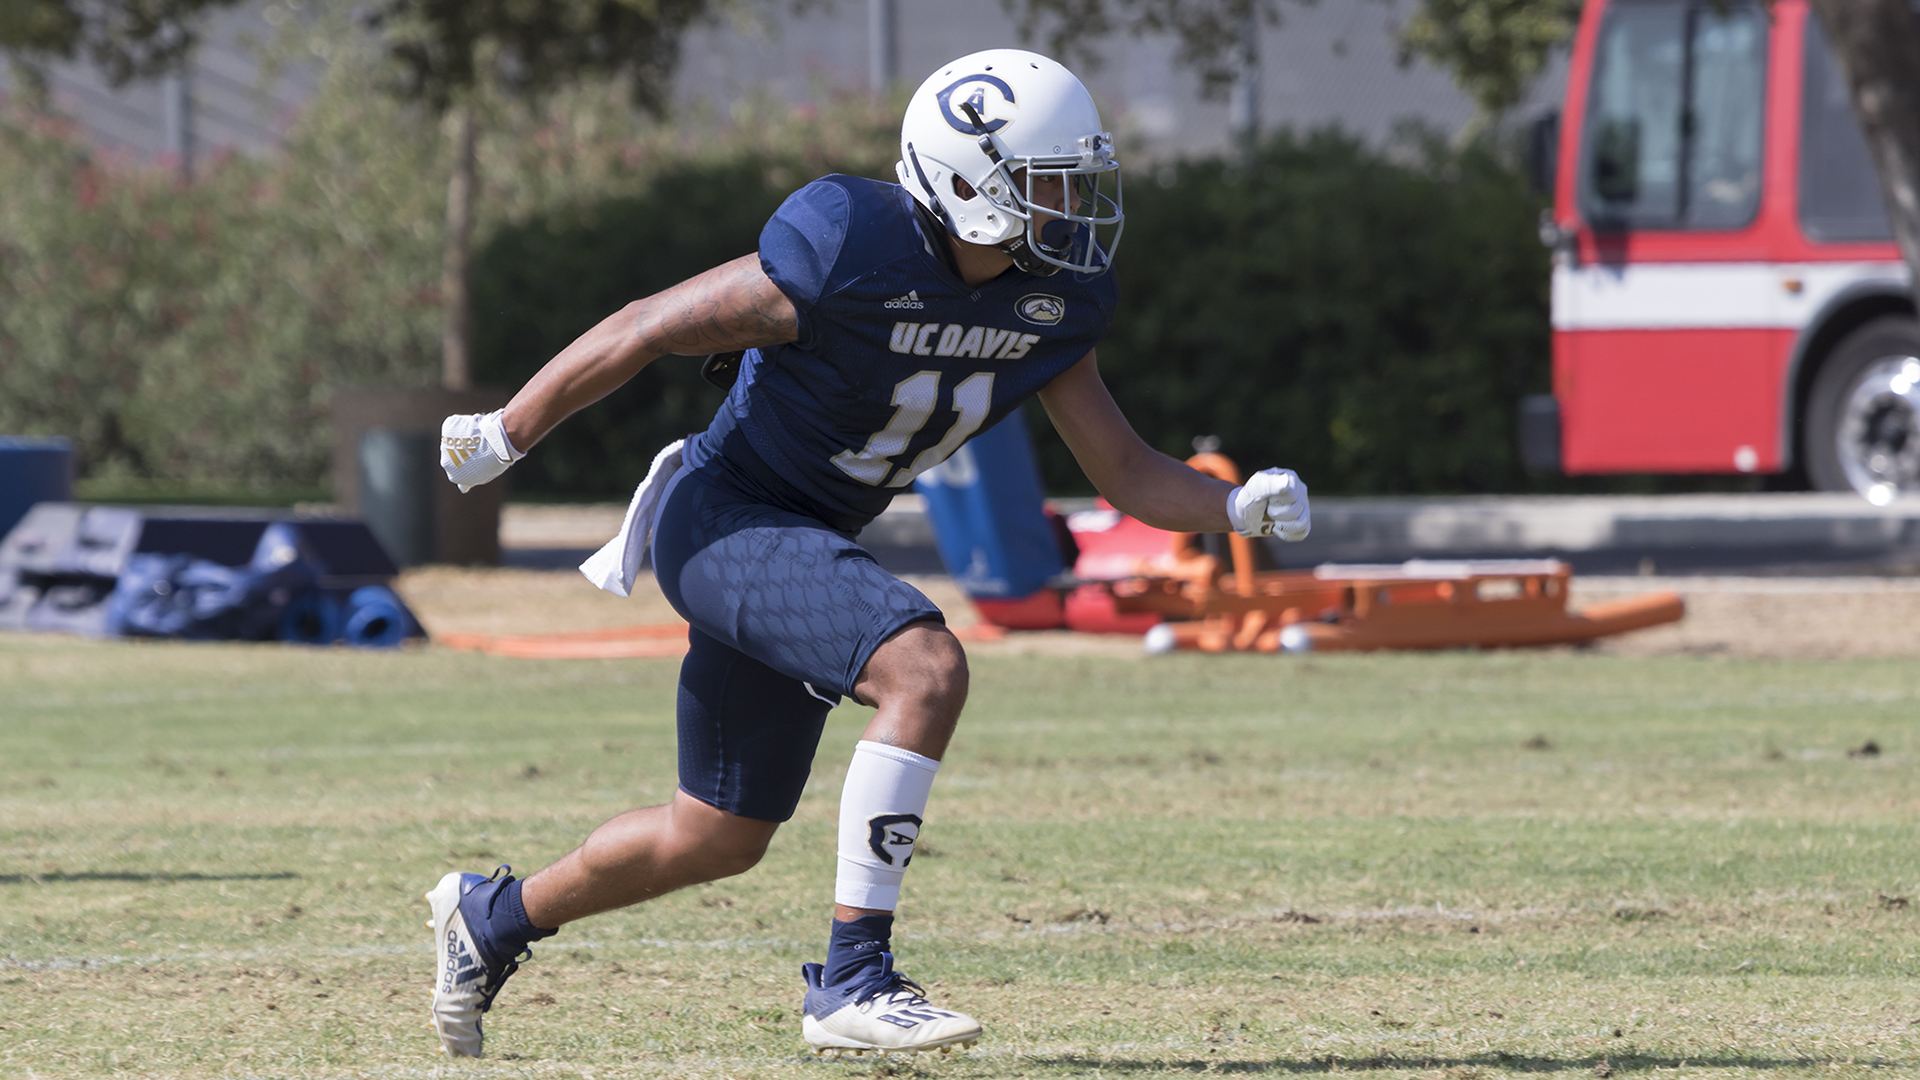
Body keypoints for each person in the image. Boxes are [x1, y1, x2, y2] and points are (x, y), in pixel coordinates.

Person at [426, 47, 1311, 1061]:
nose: (1075, 205)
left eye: (1079, 179)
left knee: (713, 835)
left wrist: (1233, 506)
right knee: (925, 666)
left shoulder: (1053, 300)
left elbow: (1122, 467)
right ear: (970, 178)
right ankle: (853, 979)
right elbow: (645, 326)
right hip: (728, 521)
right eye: (1051, 180)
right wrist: (507, 431)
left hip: (806, 541)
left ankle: (488, 922)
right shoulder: (849, 248)